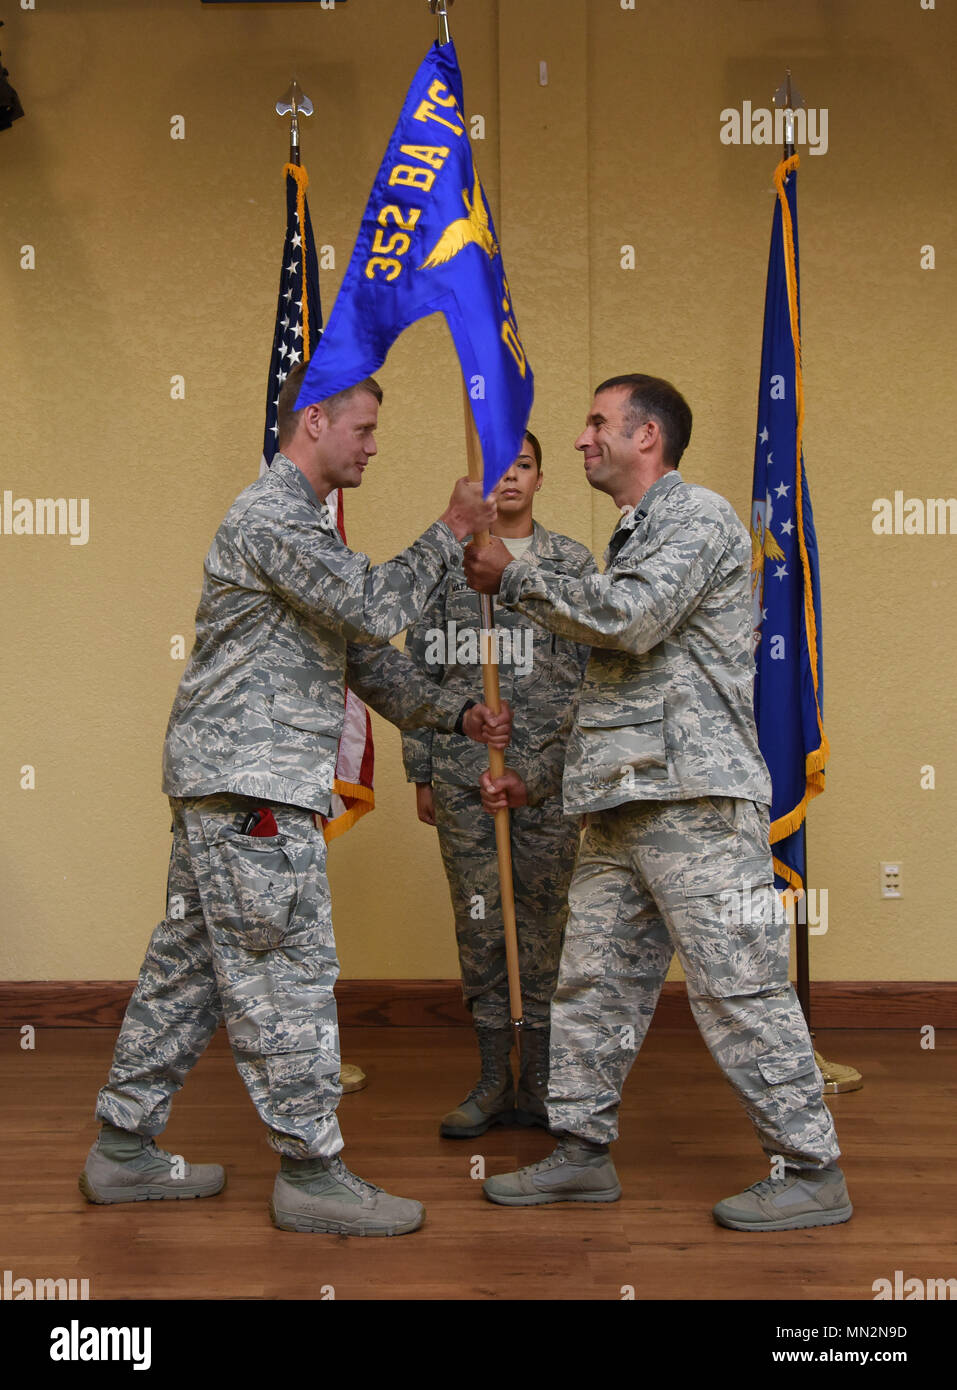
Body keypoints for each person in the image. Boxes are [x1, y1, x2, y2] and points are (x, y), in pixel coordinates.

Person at [80, 362, 512, 1238]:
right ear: (312, 421)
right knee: (287, 973)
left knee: (190, 971)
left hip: (234, 785)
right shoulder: (272, 514)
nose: (373, 445)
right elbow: (374, 601)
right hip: (253, 787)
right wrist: (451, 528)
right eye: (362, 429)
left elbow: (358, 649)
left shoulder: (303, 527)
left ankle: (122, 1147)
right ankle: (311, 1171)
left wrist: (454, 712)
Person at [464, 374, 851, 1232]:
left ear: (647, 437)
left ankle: (811, 1167)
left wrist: (515, 572)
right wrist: (543, 773)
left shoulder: (698, 516)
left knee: (739, 987)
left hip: (694, 803)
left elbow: (630, 621)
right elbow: (614, 680)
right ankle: (579, 1153)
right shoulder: (635, 534)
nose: (580, 439)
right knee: (591, 984)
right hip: (618, 801)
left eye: (597, 422)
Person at [401, 433, 595, 1136]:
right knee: (482, 927)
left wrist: (554, 767)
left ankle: (541, 1082)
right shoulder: (446, 565)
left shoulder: (570, 563)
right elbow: (418, 672)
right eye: (495, 467)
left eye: (522, 465)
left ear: (540, 478)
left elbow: (591, 672)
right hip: (464, 779)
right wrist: (421, 769)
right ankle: (491, 1078)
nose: (508, 477)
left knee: (542, 931)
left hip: (546, 777)